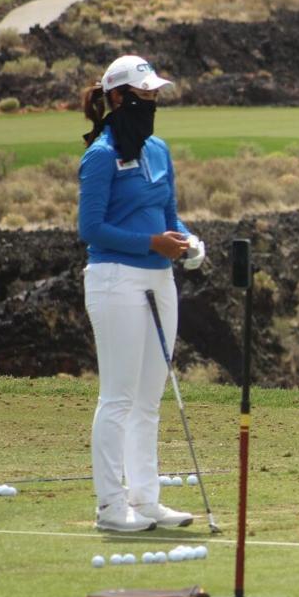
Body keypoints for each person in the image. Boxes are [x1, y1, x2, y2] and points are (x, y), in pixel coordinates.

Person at [78, 55, 203, 533]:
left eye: (154, 95)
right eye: (141, 95)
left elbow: (170, 215)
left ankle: (145, 499)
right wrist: (150, 243)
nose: (150, 101)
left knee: (149, 398)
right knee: (118, 397)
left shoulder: (158, 150)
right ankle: (110, 508)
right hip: (114, 279)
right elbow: (91, 228)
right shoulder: (100, 156)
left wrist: (188, 242)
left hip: (159, 280)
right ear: (116, 98)